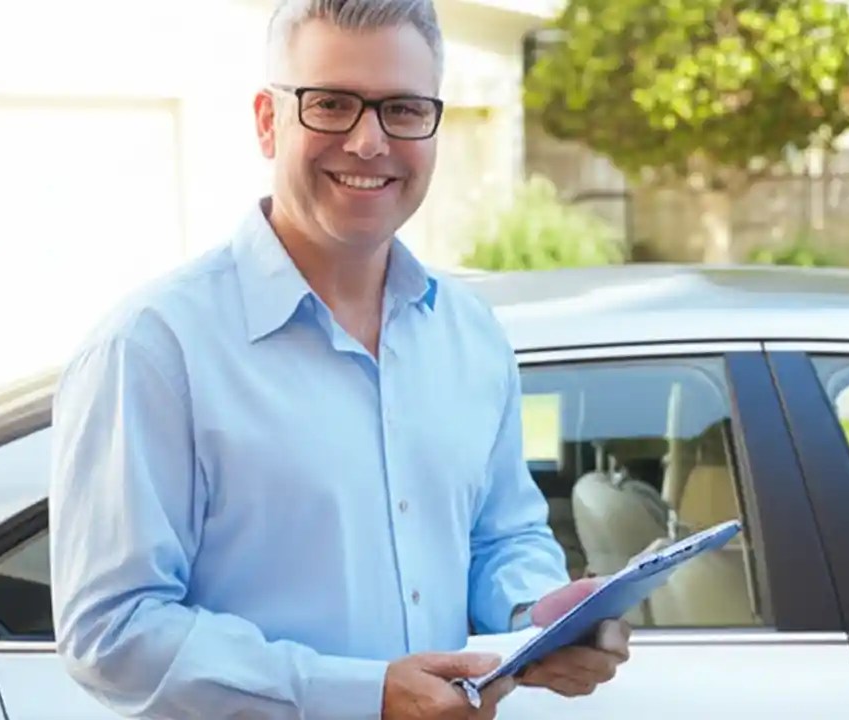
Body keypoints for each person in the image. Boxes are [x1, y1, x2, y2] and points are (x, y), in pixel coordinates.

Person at [46, 0, 631, 718]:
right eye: (330, 104)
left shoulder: (470, 334)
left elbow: (501, 534)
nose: (367, 141)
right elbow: (109, 630)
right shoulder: (154, 347)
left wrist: (542, 616)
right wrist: (364, 695)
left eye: (403, 110)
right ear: (268, 120)